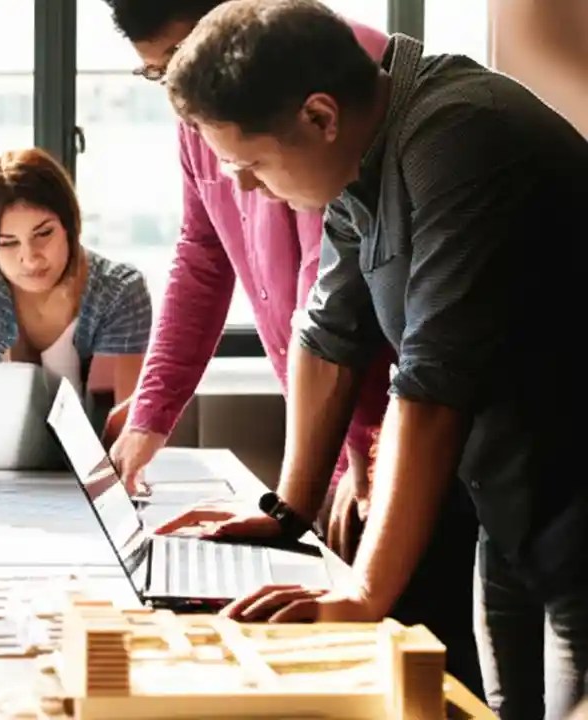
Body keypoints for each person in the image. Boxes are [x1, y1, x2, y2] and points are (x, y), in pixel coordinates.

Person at [162, 1, 588, 717]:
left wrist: (362, 595)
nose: (240, 187)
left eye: (252, 163)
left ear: (320, 116)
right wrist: (288, 509)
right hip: (511, 513)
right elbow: (328, 335)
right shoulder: (364, 150)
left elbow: (431, 380)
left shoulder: (459, 137)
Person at [102, 0, 393, 562]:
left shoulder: (318, 75)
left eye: (181, 58)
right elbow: (202, 253)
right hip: (330, 439)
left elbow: (335, 299)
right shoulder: (205, 108)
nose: (177, 97)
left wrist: (339, 467)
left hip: (388, 435)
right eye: (157, 74)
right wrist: (152, 413)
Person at [0, 148, 153, 442]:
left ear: (69, 225)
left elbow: (117, 435)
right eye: (8, 243)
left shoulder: (118, 293)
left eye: (43, 234)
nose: (30, 259)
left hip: (80, 483)